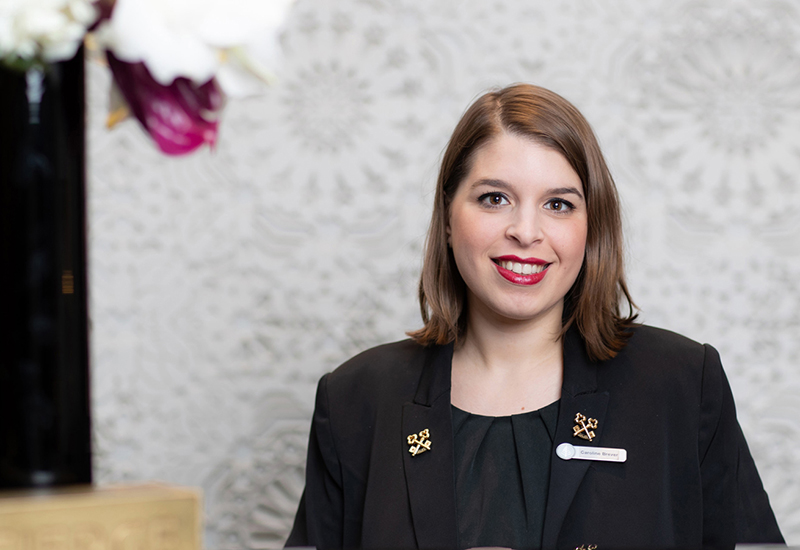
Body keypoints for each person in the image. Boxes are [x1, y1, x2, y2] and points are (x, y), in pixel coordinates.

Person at [285, 84, 784, 549]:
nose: (526, 231)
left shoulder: (681, 382)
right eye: (494, 198)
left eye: (559, 204)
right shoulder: (355, 399)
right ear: (448, 218)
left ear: (592, 227)